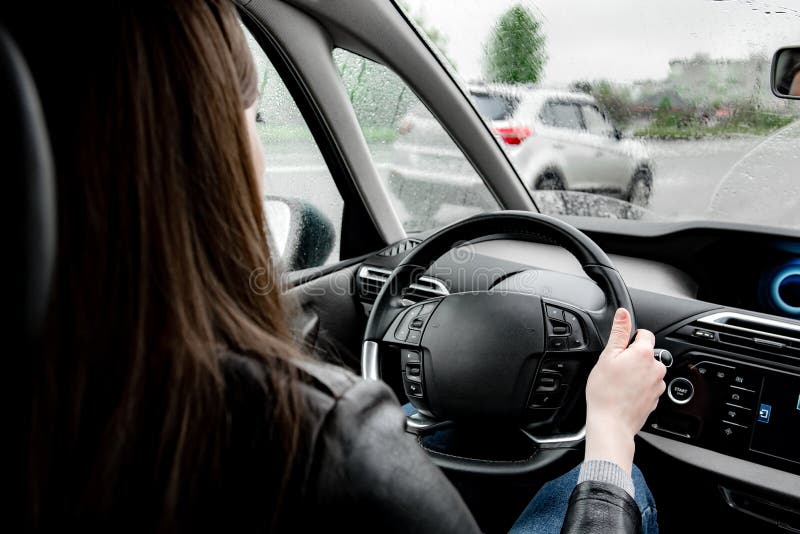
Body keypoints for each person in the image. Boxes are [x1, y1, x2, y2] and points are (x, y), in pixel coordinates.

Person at [12, 1, 666, 532]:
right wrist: (607, 429)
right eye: (256, 118)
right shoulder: (321, 441)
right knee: (606, 481)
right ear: (211, 149)